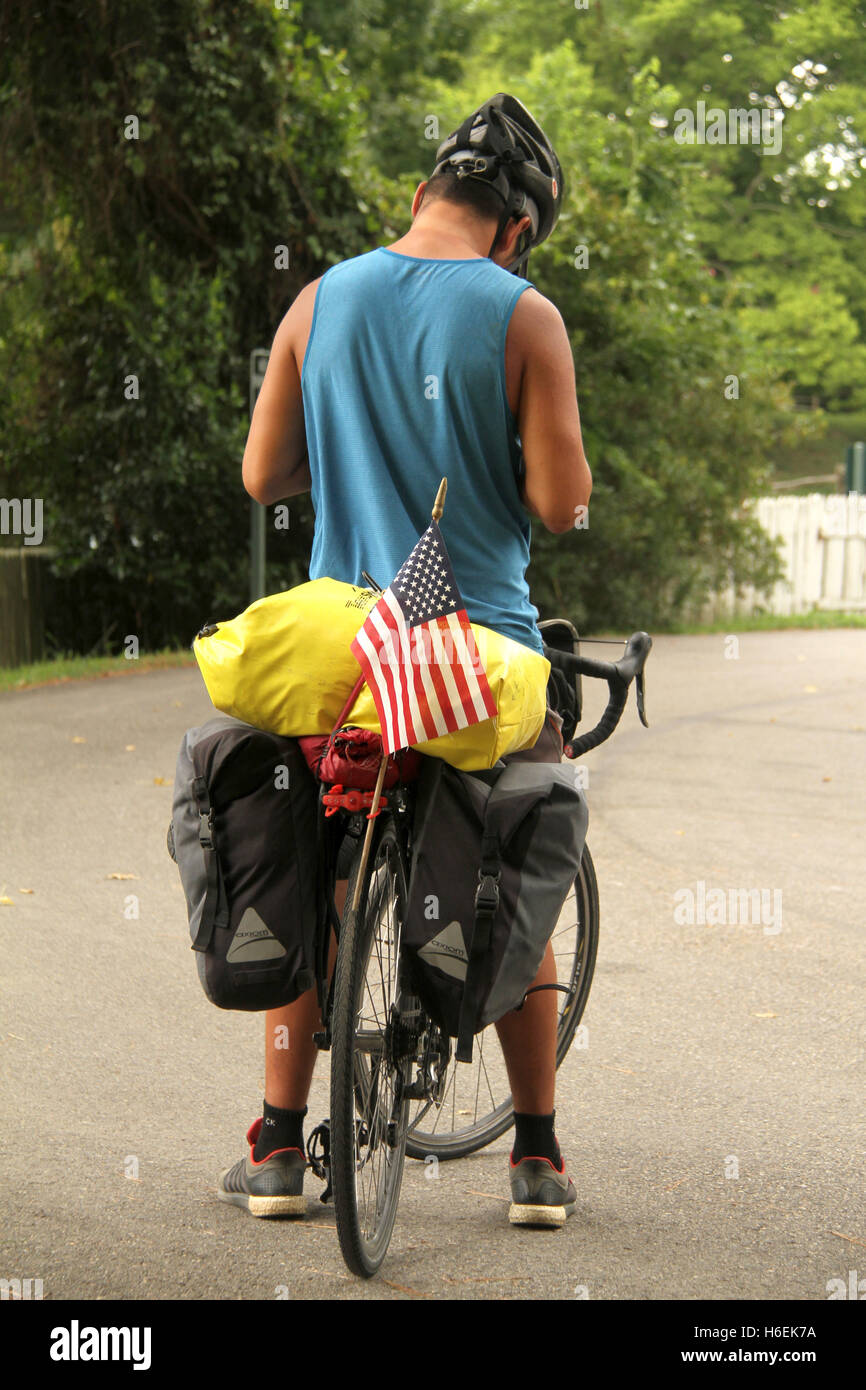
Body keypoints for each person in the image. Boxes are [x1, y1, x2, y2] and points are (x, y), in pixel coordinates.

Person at [221, 94, 592, 1227]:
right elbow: (557, 500)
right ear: (516, 228)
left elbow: (262, 475)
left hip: (345, 650)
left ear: (418, 195)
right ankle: (535, 1155)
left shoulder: (316, 299)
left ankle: (280, 1145)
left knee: (310, 843)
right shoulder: (524, 315)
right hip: (472, 659)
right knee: (520, 846)